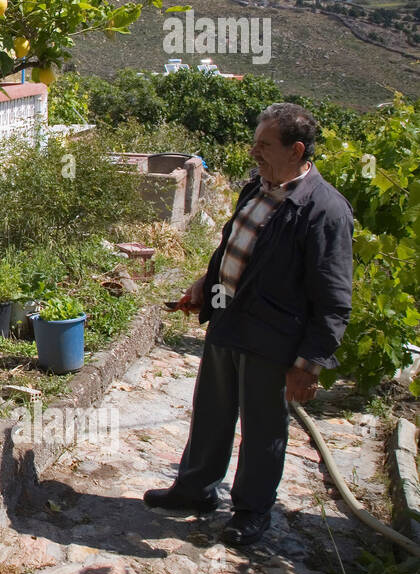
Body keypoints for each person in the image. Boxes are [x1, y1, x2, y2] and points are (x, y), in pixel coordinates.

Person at [144, 103, 354, 547]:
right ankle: (196, 489)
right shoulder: (257, 187)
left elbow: (334, 297)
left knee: (262, 429)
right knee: (212, 412)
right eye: (255, 143)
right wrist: (205, 282)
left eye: (264, 145)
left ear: (295, 150)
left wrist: (309, 363)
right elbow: (234, 247)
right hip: (229, 321)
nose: (254, 152)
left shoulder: (324, 210)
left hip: (272, 338)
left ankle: (252, 511)